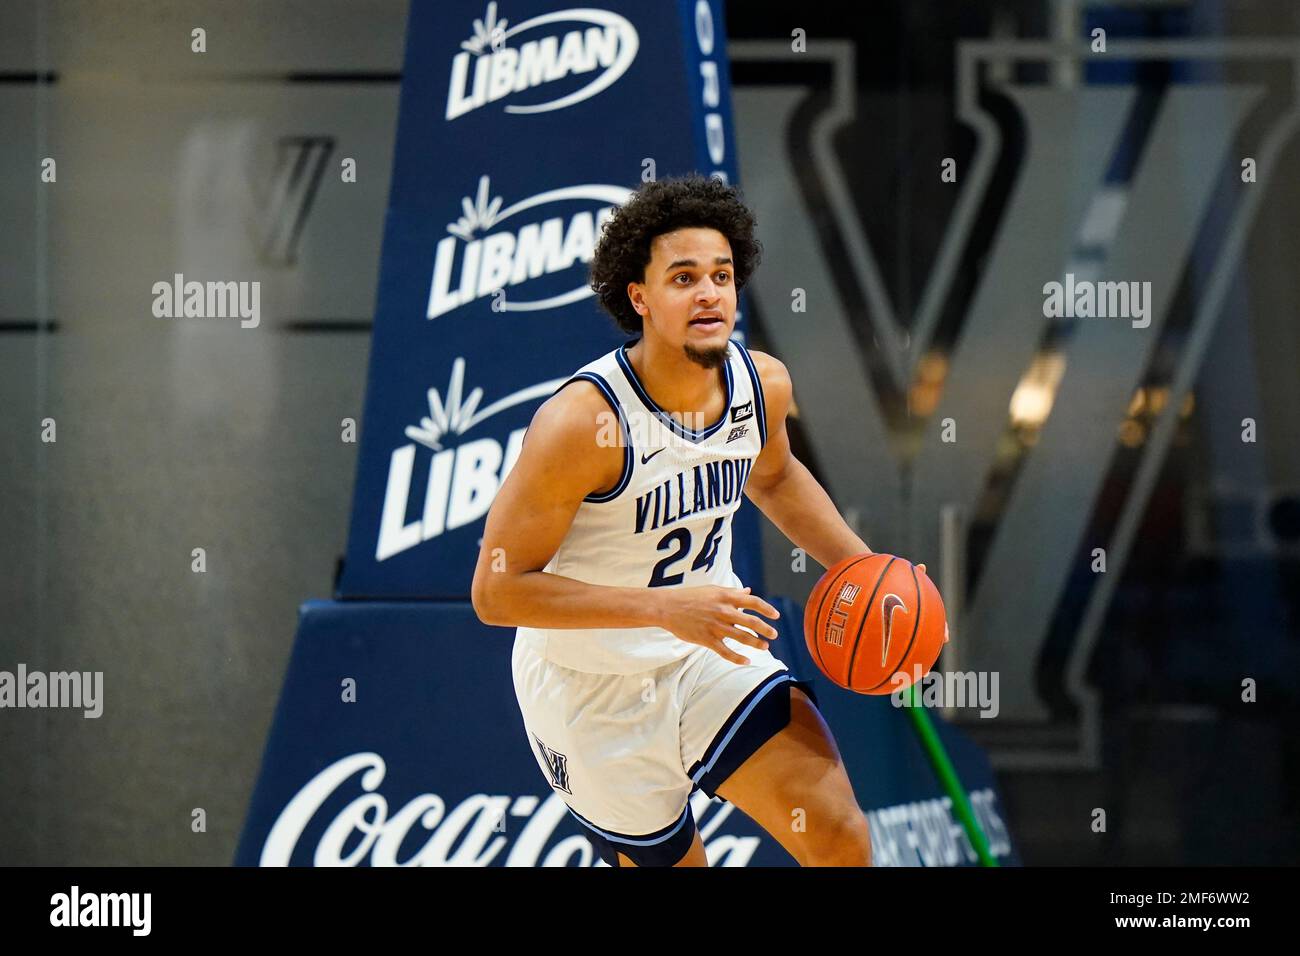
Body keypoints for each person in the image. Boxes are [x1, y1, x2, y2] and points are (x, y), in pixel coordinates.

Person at [473, 174, 888, 867]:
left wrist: (865, 570)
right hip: (589, 688)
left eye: (722, 276)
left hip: (708, 650)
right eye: (684, 278)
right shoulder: (582, 424)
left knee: (839, 836)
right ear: (639, 296)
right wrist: (663, 609)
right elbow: (496, 592)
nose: (709, 294)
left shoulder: (761, 385)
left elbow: (774, 476)